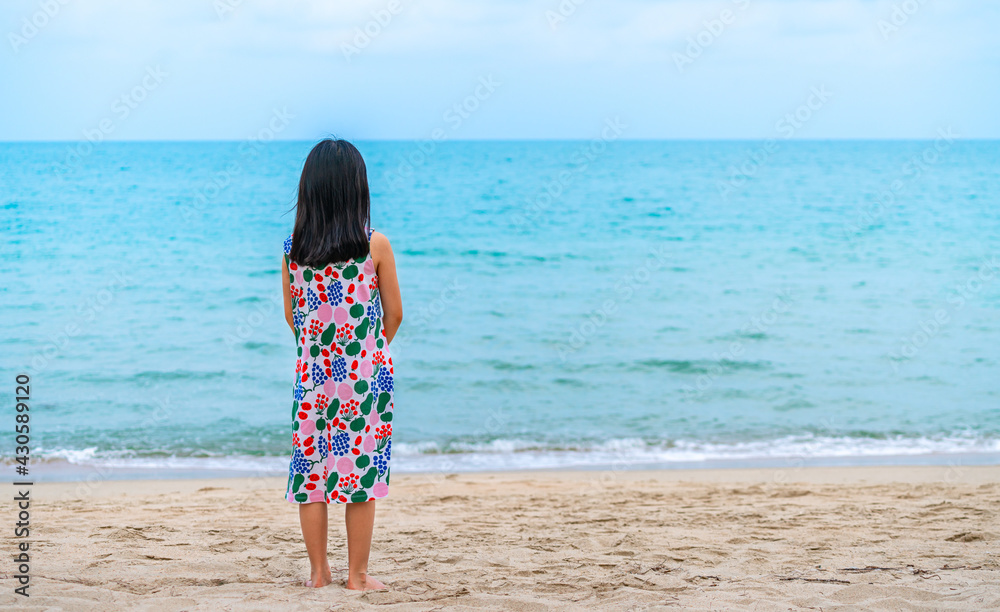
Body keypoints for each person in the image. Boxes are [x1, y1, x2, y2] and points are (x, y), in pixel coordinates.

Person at [280, 138, 403, 590]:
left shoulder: (293, 248)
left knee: (311, 473)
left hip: (311, 380)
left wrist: (318, 352)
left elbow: (293, 316)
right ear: (358, 190)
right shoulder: (375, 246)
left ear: (308, 191)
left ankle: (318, 573)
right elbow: (394, 314)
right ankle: (357, 575)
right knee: (360, 475)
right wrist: (369, 350)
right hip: (363, 383)